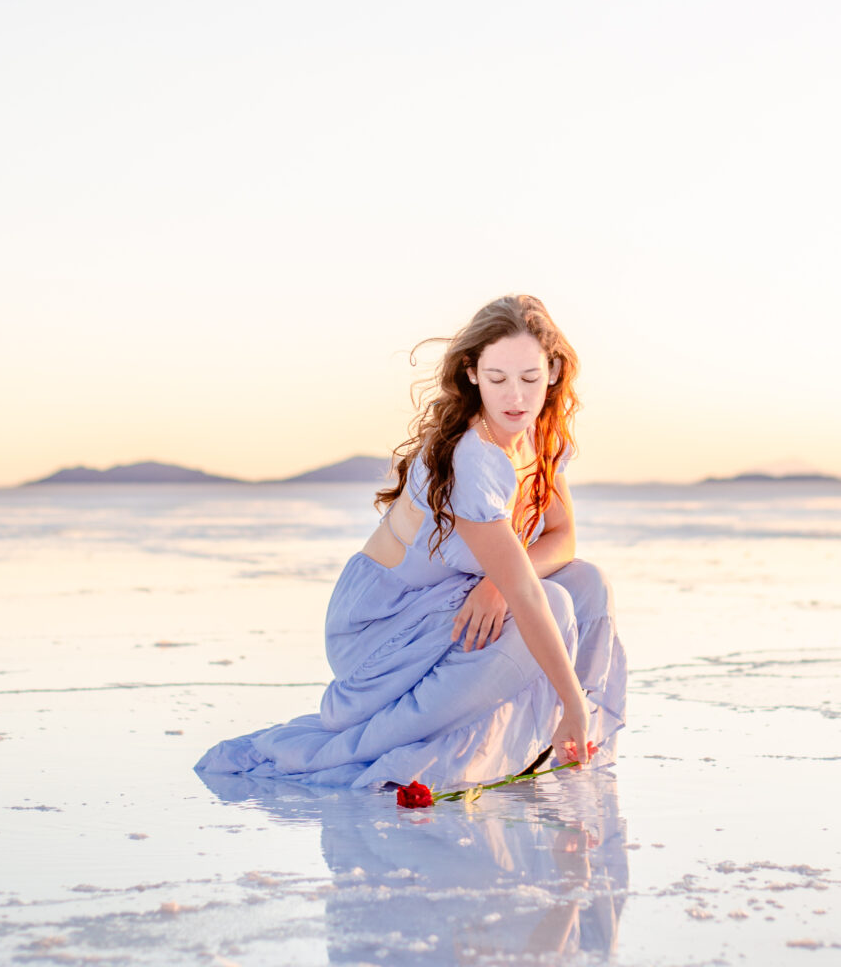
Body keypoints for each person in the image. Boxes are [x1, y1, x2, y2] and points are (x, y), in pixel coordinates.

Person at [195, 294, 626, 791]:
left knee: (588, 584)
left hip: (448, 604)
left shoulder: (540, 434)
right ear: (471, 373)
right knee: (549, 600)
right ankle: (365, 736)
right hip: (378, 625)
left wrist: (496, 584)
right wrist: (509, 591)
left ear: (552, 372)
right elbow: (527, 592)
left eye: (530, 379)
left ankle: (571, 741)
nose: (516, 398)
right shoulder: (474, 457)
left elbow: (562, 538)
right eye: (497, 378)